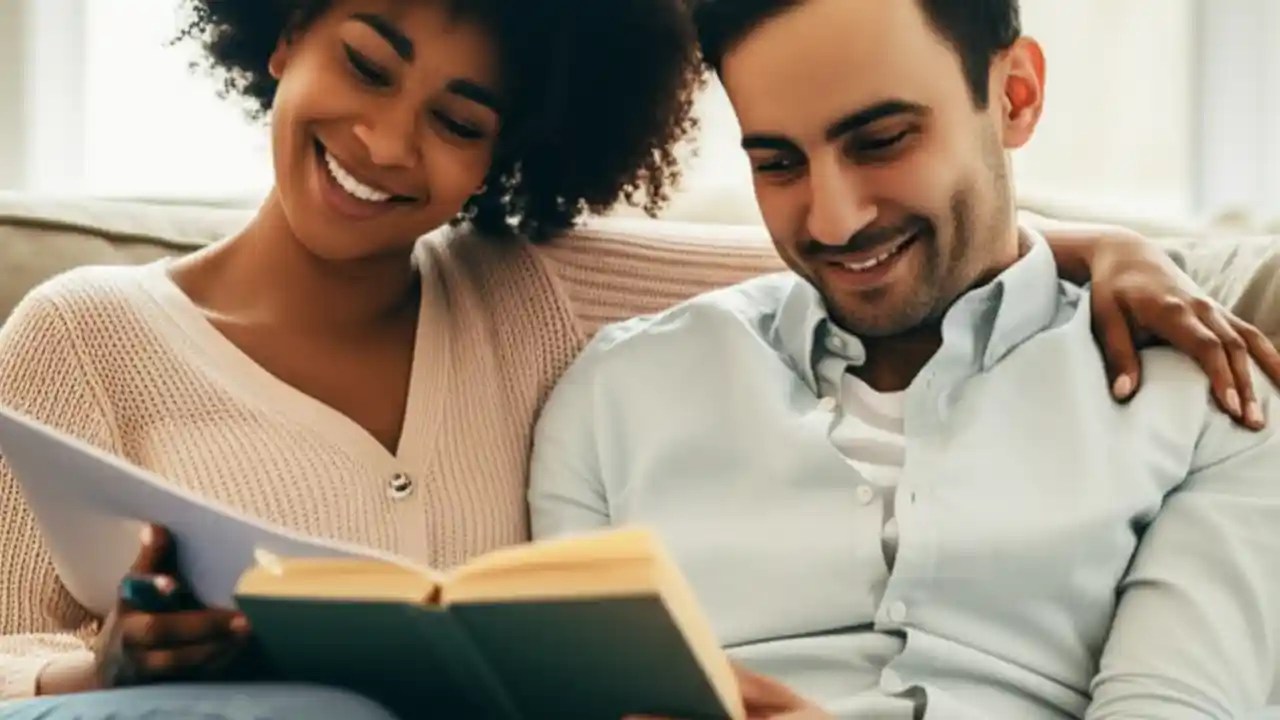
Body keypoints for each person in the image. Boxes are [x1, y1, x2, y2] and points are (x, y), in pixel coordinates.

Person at [1, 0, 1277, 717]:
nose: (388, 143)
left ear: (510, 155)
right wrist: (88, 668)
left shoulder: (540, 294)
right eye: (364, 64)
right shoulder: (78, 336)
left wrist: (1100, 248)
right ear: (281, 33)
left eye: (457, 119)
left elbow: (858, 261)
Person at [529, 0, 1280, 718]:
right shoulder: (613, 396)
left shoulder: (1214, 409)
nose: (834, 220)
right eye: (779, 163)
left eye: (881, 141)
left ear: (1015, 96)